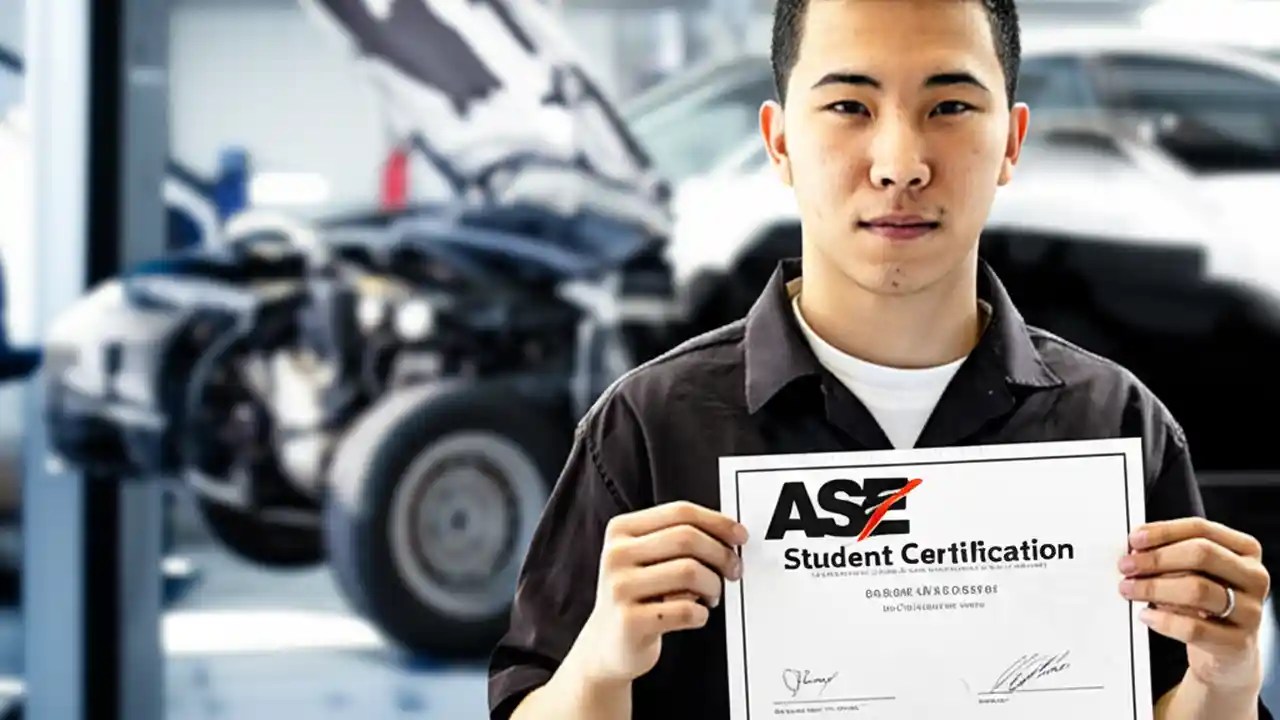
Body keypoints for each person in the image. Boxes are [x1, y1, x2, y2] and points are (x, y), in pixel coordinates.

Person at [487, 0, 1274, 718]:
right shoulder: (649, 432)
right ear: (781, 141)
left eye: (951, 106)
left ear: (1012, 141)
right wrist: (598, 671)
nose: (900, 162)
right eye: (848, 106)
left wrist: (1225, 682)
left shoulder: (1118, 426)